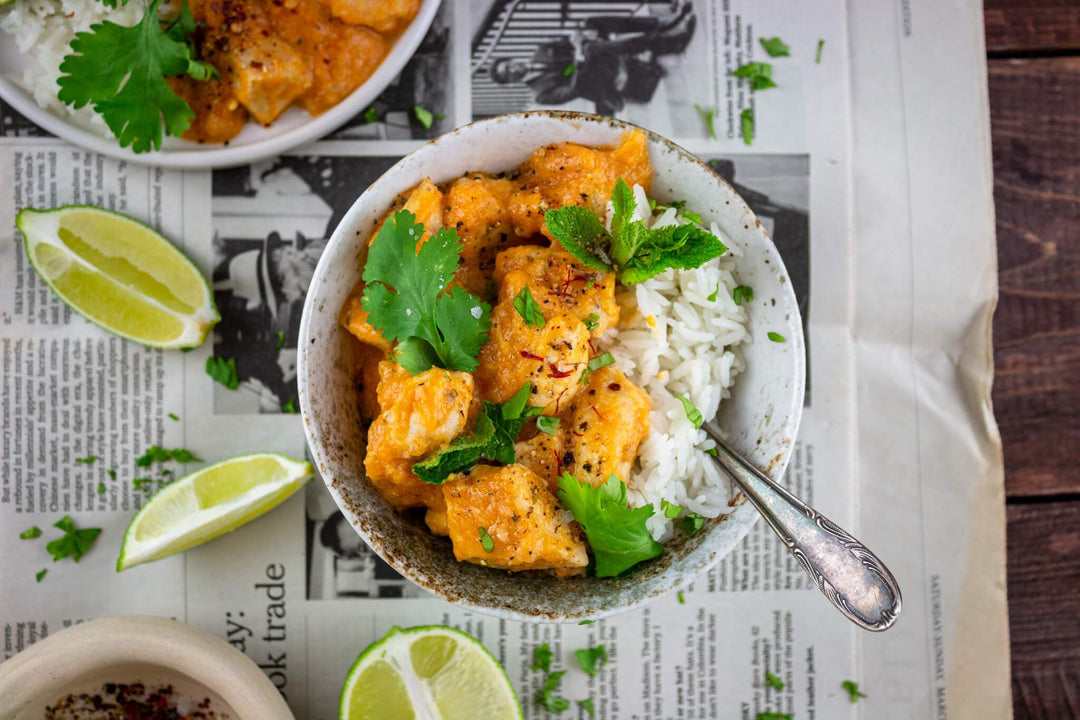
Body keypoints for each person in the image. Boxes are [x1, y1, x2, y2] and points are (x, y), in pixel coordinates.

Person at [488, 1, 696, 116]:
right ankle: (671, 41)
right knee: (592, 50)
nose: (514, 70)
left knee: (590, 23)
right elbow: (573, 88)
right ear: (511, 81)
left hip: (598, 55)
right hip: (599, 81)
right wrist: (578, 58)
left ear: (512, 59)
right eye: (509, 74)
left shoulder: (541, 51)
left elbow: (568, 42)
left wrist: (577, 36)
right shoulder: (541, 94)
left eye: (509, 65)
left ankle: (661, 24)